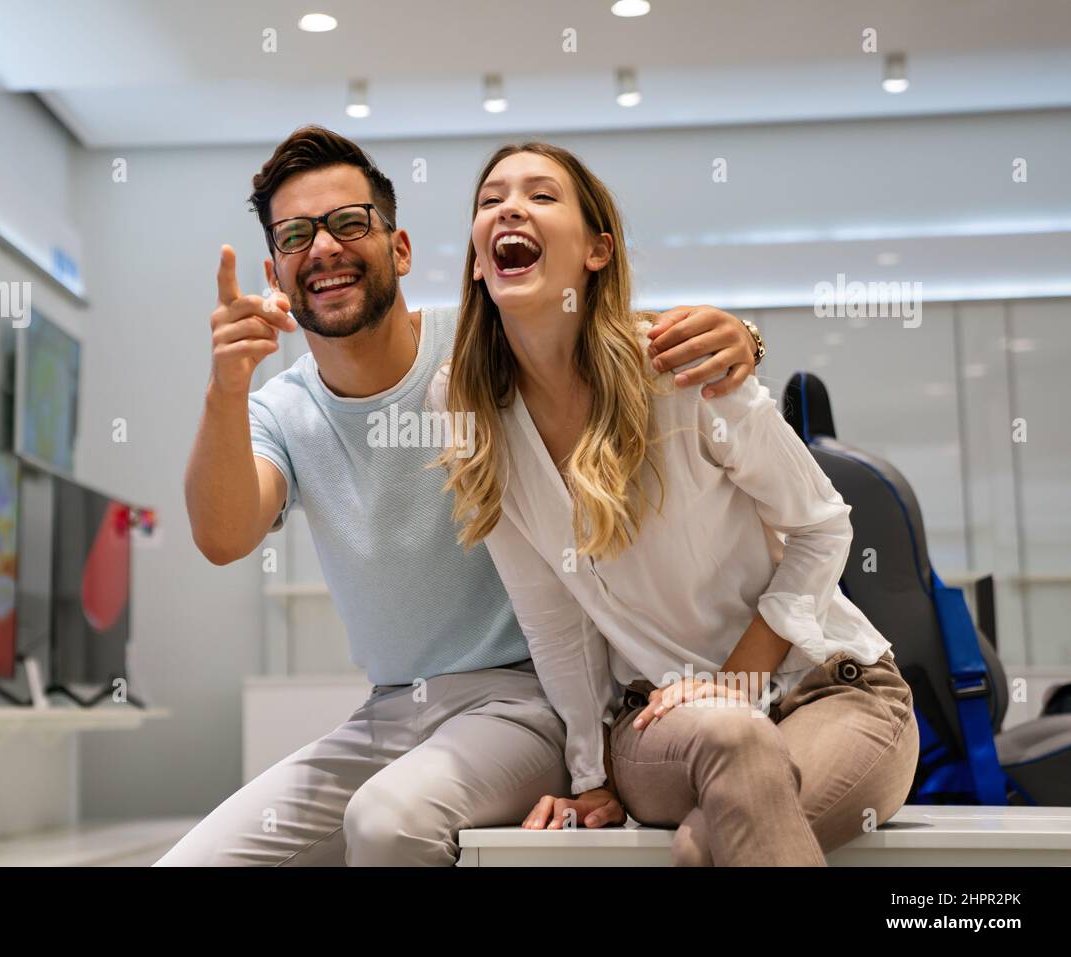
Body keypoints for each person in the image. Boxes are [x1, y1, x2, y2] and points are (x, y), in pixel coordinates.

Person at [159, 126, 762, 866]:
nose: (323, 248)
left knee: (386, 823)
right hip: (387, 710)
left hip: (528, 701)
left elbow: (617, 340)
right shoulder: (278, 408)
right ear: (276, 271)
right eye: (296, 235)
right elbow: (222, 535)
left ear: (400, 248)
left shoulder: (483, 342)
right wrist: (226, 386)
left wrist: (744, 334)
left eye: (350, 222)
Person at [429, 141, 918, 866]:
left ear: (598, 251)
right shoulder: (466, 405)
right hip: (664, 728)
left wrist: (733, 684)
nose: (510, 206)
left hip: (834, 694)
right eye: (491, 198)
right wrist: (591, 776)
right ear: (478, 261)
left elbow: (821, 526)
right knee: (731, 736)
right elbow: (554, 619)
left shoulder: (677, 366)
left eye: (541, 195)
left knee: (705, 846)